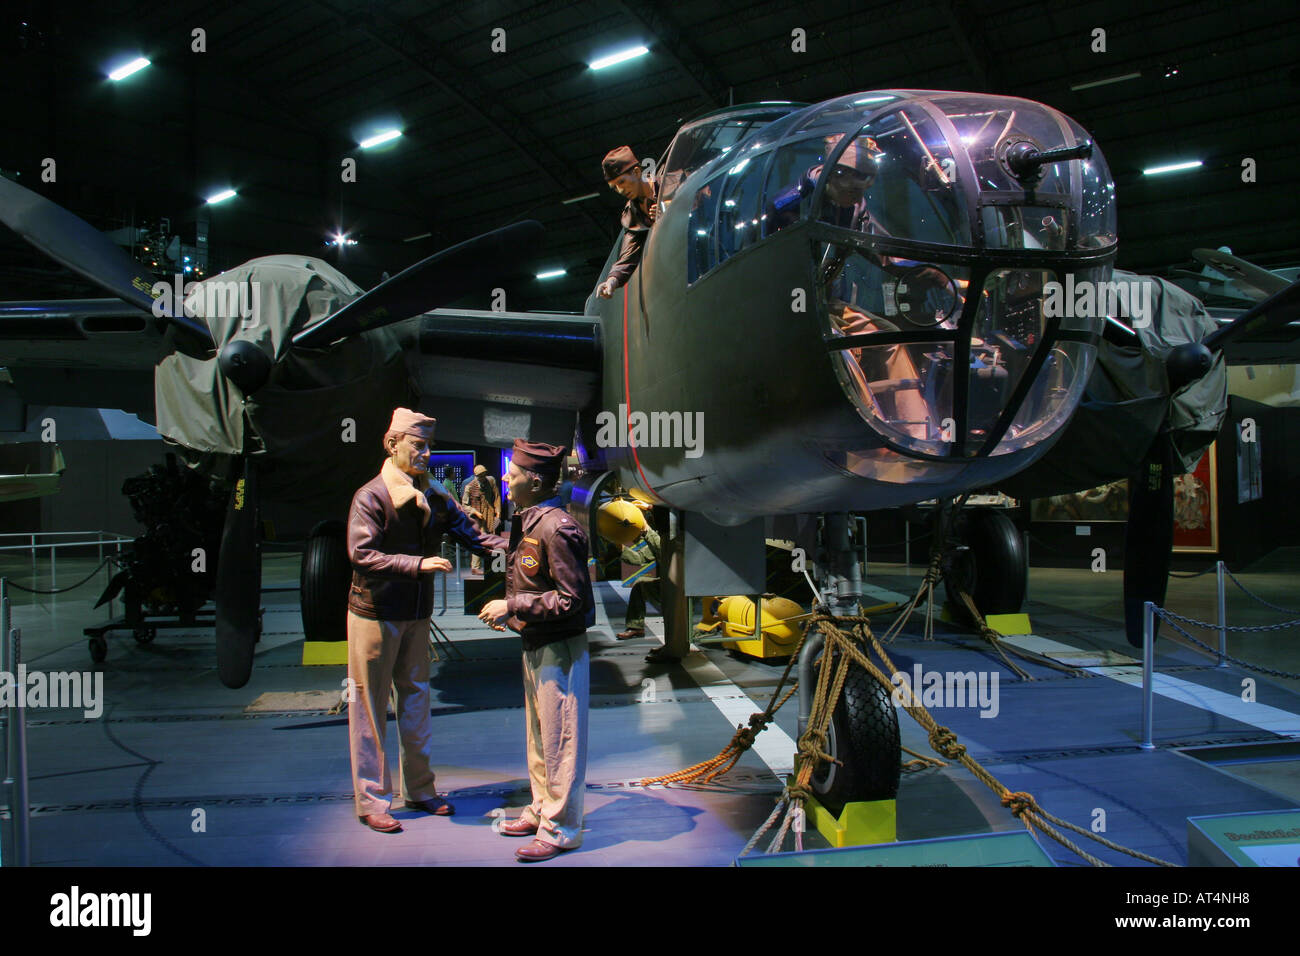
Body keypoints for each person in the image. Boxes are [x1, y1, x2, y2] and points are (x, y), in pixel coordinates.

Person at [346, 407, 508, 833]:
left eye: (429, 446)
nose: (426, 453)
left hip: (415, 614)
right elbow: (361, 555)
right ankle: (371, 799)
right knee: (368, 707)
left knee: (416, 701)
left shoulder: (435, 496)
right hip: (375, 613)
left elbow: (475, 536)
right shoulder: (372, 497)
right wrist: (416, 565)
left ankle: (419, 789)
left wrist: (527, 543)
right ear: (392, 444)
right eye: (418, 445)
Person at [477, 440, 595, 862]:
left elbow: (571, 600)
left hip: (559, 648)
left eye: (513, 474)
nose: (505, 478)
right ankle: (542, 809)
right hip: (537, 642)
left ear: (536, 481)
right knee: (541, 740)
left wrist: (512, 605)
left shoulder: (556, 529)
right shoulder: (531, 522)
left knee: (561, 741)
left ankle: (561, 829)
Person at [596, 145, 657, 299]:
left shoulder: (672, 180)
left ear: (636, 172)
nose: (621, 190)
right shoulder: (632, 214)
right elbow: (628, 255)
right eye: (615, 188)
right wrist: (611, 281)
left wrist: (671, 207)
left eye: (622, 182)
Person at [617, 524, 661, 640]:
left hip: (685, 586)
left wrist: (647, 531)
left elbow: (663, 550)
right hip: (668, 584)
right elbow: (640, 558)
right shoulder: (659, 536)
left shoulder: (677, 536)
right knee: (639, 584)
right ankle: (636, 627)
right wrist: (620, 548)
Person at [461, 464, 501, 575]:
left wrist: (498, 511)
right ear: (476, 476)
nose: (483, 477)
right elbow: (464, 505)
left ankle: (494, 566)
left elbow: (496, 497)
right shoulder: (469, 487)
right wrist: (474, 512)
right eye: (480, 476)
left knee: (492, 538)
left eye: (484, 475)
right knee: (479, 540)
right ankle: (475, 566)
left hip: (490, 514)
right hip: (478, 518)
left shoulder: (490, 481)